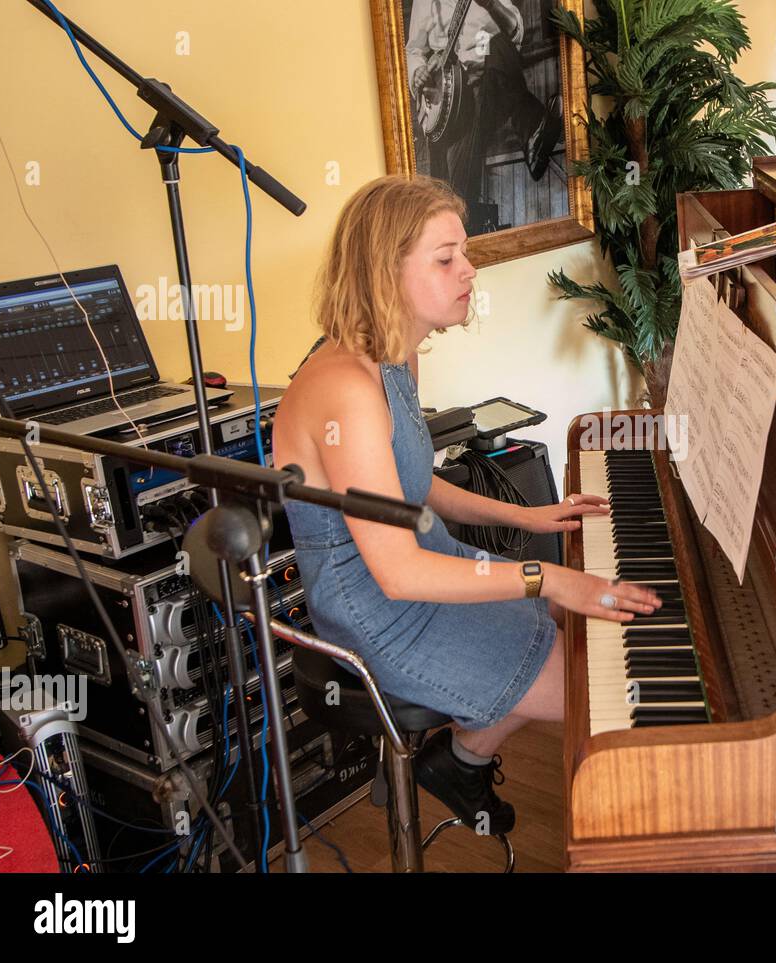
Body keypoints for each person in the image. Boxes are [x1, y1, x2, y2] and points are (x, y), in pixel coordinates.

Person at [272, 174, 660, 834]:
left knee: (558, 630)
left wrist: (529, 518)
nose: (469, 271)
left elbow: (413, 484)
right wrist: (552, 574)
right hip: (381, 611)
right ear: (382, 269)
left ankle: (460, 758)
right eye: (446, 257)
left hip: (419, 561)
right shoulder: (346, 389)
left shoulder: (395, 356)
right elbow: (396, 573)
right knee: (602, 694)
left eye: (464, 253)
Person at [406, 0, 563, 222]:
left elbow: (515, 32)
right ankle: (534, 134)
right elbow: (414, 49)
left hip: (488, 81)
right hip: (445, 97)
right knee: (456, 196)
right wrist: (418, 72)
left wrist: (491, 5)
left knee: (497, 42)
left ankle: (533, 129)